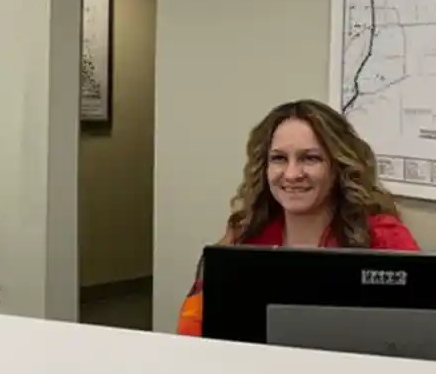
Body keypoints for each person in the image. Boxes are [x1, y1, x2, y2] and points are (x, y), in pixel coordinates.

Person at [176, 99, 418, 336]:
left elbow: (420, 332)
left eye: (310, 158)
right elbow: (193, 330)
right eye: (279, 158)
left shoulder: (383, 238)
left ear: (338, 168)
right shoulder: (246, 236)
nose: (292, 174)